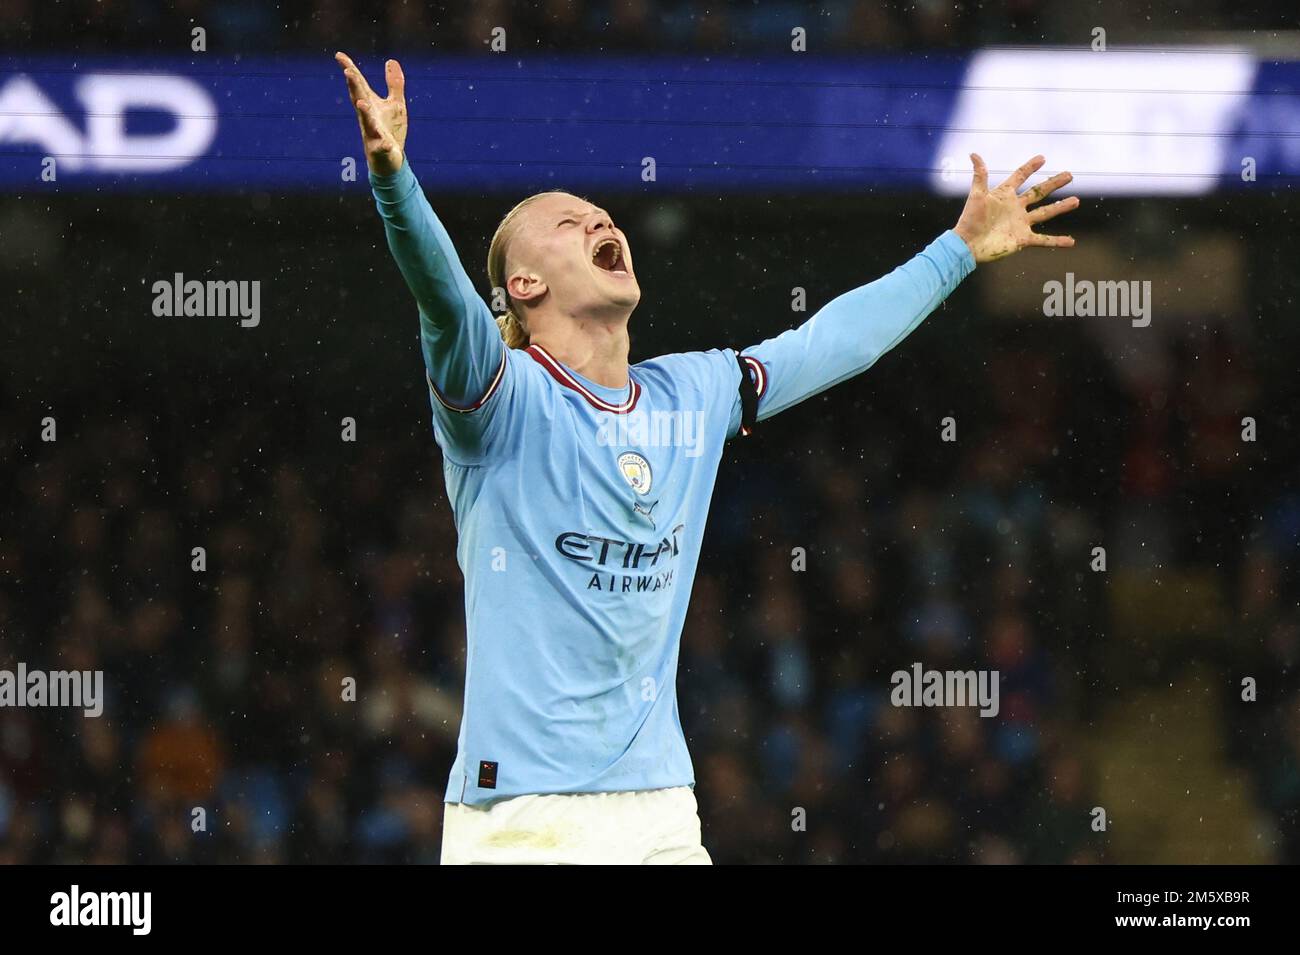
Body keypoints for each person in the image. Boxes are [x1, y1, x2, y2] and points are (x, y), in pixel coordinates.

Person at [335, 52, 1079, 864]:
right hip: (522, 814)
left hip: (659, 810)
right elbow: (441, 298)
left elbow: (832, 343)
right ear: (523, 285)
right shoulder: (499, 402)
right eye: (567, 222)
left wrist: (958, 251)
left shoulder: (690, 395)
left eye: (602, 216)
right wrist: (393, 179)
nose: (599, 223)